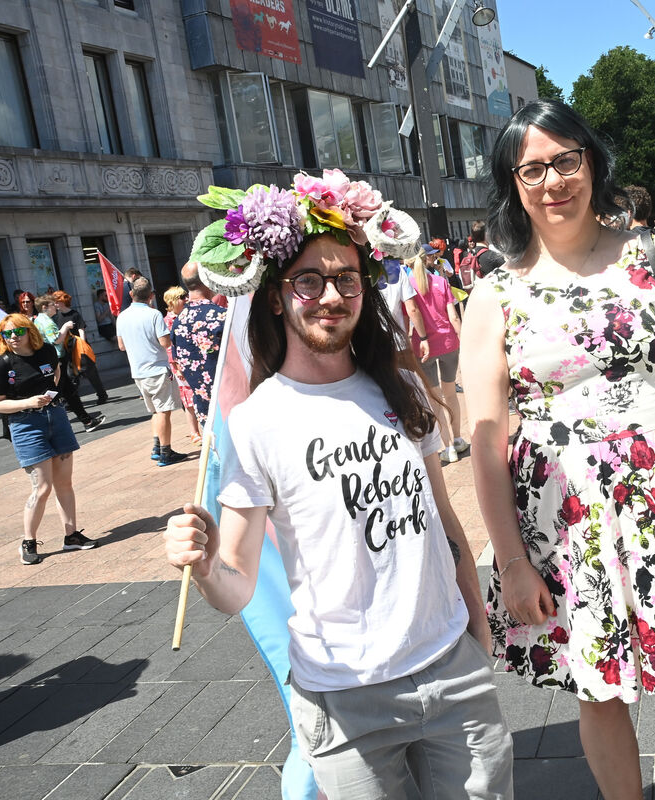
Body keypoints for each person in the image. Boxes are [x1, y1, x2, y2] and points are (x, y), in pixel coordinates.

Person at [163, 169, 513, 798]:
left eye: (345, 279)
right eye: (309, 280)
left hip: (451, 671)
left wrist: (476, 630)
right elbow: (236, 588)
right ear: (276, 296)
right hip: (341, 698)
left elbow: (443, 519)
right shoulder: (256, 422)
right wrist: (206, 560)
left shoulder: (400, 391)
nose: (330, 295)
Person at [462, 98, 655, 800]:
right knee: (598, 696)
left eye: (565, 160)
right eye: (532, 168)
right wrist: (510, 562)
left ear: (590, 160)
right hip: (564, 530)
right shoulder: (494, 293)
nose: (552, 181)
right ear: (512, 182)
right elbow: (486, 442)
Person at [0, 314, 98, 565]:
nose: (13, 338)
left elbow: (57, 372)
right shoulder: (3, 364)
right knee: (42, 487)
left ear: (30, 332)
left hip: (56, 418)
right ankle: (28, 541)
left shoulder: (46, 351)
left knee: (64, 483)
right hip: (26, 425)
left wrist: (48, 397)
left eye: (17, 332)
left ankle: (71, 536)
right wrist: (28, 402)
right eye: (7, 334)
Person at [405, 246, 468, 464]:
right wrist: (464, 341)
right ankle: (459, 439)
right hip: (449, 343)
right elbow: (454, 318)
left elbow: (408, 319)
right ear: (427, 259)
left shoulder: (407, 286)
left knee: (436, 401)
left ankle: (448, 447)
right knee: (451, 394)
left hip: (424, 349)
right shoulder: (441, 282)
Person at [117, 278, 187, 465]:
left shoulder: (122, 316)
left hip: (138, 371)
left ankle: (158, 447)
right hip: (156, 368)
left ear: (131, 294)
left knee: (156, 411)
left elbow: (121, 346)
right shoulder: (154, 314)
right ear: (151, 296)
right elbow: (165, 342)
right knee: (164, 411)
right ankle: (165, 452)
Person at [33, 294, 105, 433]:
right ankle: (57, 426)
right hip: (56, 360)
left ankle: (87, 421)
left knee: (68, 391)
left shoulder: (41, 320)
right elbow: (55, 339)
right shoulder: (46, 322)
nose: (55, 307)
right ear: (44, 307)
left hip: (54, 359)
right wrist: (65, 327)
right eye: (52, 304)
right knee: (58, 392)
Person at [170, 263, 228, 429]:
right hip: (230, 400)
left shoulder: (178, 321)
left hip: (203, 405)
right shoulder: (221, 316)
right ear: (207, 279)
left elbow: (178, 364)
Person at [162, 285, 203, 445]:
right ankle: (194, 432)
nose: (185, 299)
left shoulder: (188, 316)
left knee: (199, 394)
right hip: (181, 364)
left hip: (195, 361)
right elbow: (169, 346)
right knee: (189, 399)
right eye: (181, 297)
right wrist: (176, 366)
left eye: (185, 296)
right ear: (172, 301)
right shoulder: (168, 321)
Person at [52, 290, 108, 403]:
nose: (55, 304)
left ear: (62, 301)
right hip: (67, 349)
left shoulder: (74, 314)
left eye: (56, 302)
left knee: (90, 373)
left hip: (79, 347)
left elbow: (81, 330)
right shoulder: (55, 317)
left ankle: (102, 394)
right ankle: (73, 400)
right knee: (71, 375)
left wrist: (82, 347)